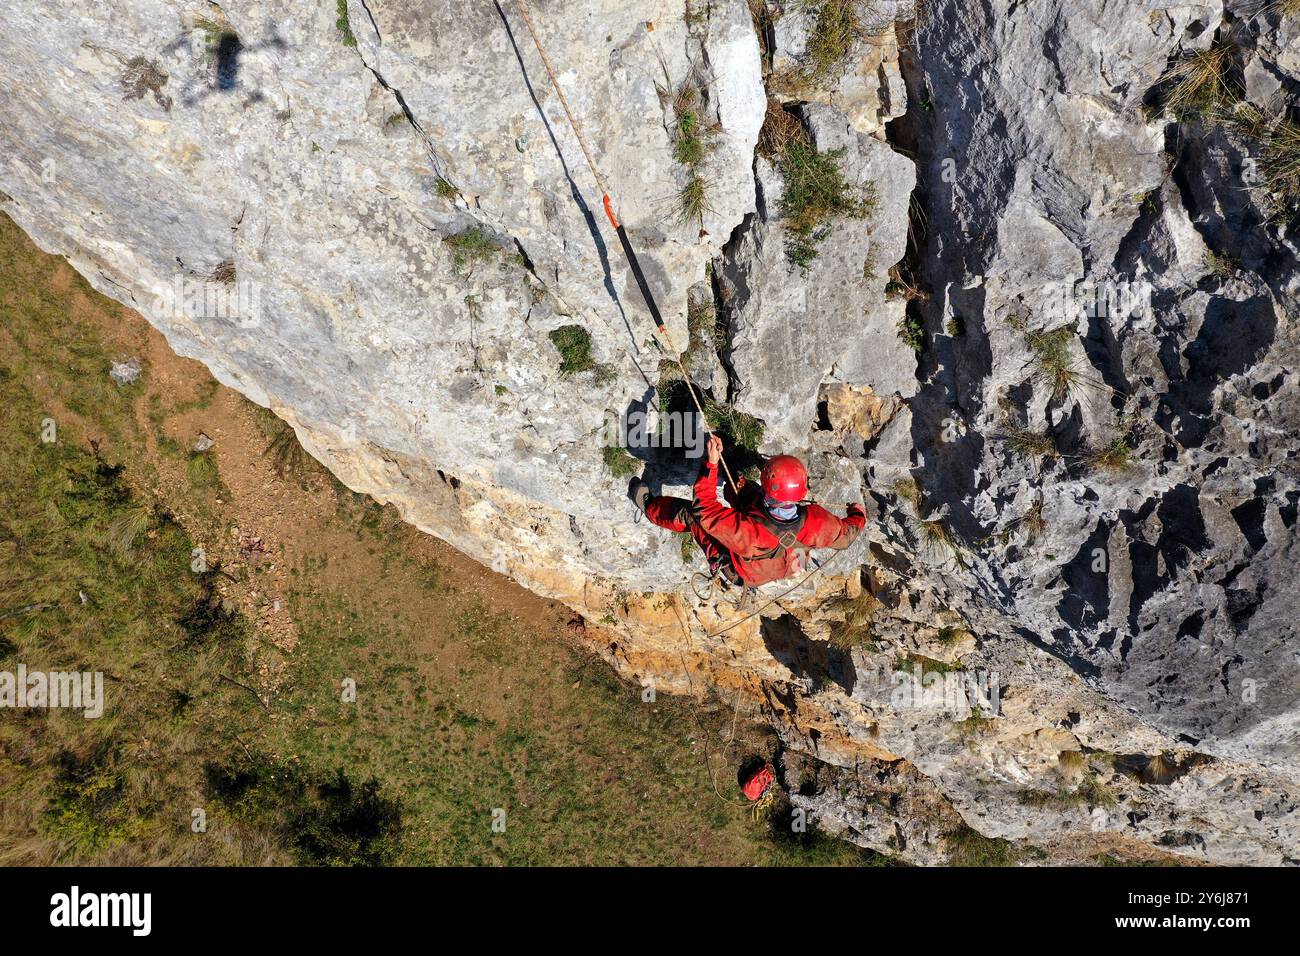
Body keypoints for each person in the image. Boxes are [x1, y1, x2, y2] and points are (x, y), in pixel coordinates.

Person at [630, 434, 866, 587]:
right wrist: (858, 514)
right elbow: (847, 535)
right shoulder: (818, 520)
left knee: (692, 516)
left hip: (745, 571)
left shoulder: (747, 533)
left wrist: (711, 464)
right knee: (745, 493)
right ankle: (733, 477)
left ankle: (649, 505)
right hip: (790, 562)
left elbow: (704, 509)